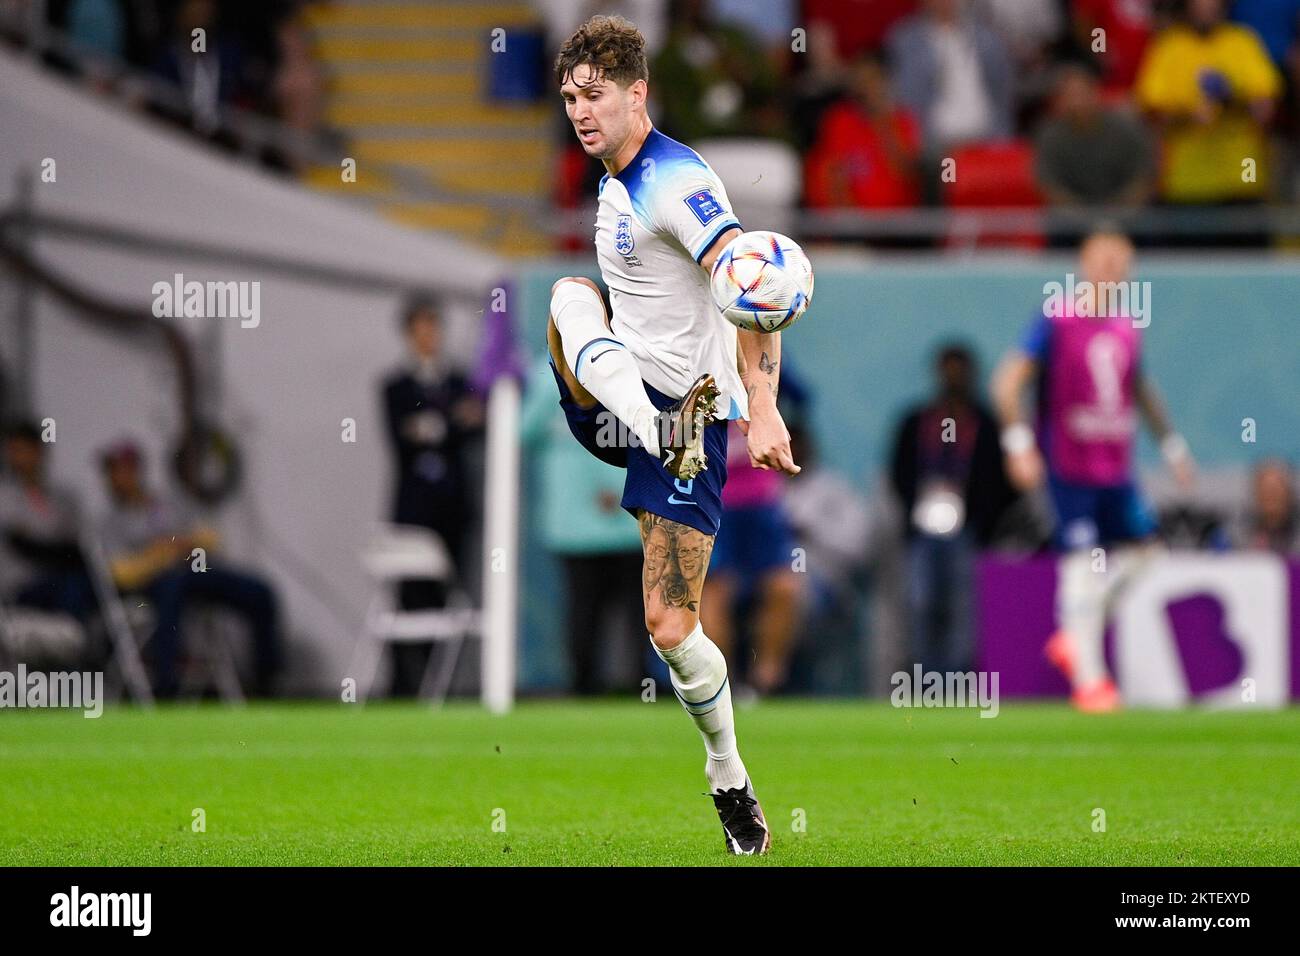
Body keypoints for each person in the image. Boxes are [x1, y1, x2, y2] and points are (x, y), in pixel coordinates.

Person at [547, 15, 800, 854]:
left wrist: (761, 408)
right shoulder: (615, 179)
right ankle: (653, 428)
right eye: (570, 98)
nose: (581, 112)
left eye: (595, 96)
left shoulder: (675, 183)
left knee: (669, 627)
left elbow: (751, 291)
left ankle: (727, 771)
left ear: (637, 92)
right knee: (565, 297)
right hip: (637, 412)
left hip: (693, 413)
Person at [992, 229, 1195, 712]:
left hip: (1115, 466)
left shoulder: (1127, 326)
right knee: (1081, 564)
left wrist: (1171, 446)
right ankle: (1091, 680)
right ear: (1084, 263)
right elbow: (1007, 382)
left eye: (1120, 262)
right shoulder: (1056, 319)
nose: (1111, 270)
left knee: (1148, 552)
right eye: (1102, 260)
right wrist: (1019, 444)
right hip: (1068, 463)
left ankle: (1074, 637)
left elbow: (1140, 390)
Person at [97, 439, 281, 698]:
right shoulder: (111, 522)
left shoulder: (167, 504)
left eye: (127, 469)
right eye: (114, 471)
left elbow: (210, 538)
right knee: (172, 588)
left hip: (194, 572)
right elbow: (121, 573)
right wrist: (161, 555)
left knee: (259, 591)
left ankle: (267, 683)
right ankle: (166, 685)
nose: (121, 477)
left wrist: (179, 545)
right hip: (150, 588)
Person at [520, 355, 645, 695]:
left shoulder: (629, 371)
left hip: (628, 524)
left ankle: (643, 686)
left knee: (640, 613)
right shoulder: (547, 379)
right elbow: (521, 430)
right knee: (584, 611)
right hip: (576, 528)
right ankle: (584, 687)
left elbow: (646, 436)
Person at [890, 344, 1019, 673]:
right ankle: (923, 677)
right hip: (921, 529)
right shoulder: (916, 422)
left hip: (968, 530)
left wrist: (981, 519)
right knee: (920, 603)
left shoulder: (985, 425)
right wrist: (915, 505)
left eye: (959, 370)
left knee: (964, 607)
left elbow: (1000, 481)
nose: (953, 378)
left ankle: (958, 679)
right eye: (947, 370)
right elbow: (899, 472)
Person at [381, 297, 484, 695]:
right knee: (409, 596)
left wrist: (433, 428)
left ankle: (440, 686)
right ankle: (404, 686)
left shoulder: (459, 381)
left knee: (449, 596)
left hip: (453, 509)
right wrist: (449, 423)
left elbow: (474, 424)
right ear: (409, 335)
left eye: (433, 328)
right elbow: (401, 439)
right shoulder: (395, 386)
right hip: (412, 511)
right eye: (420, 329)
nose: (428, 337)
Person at [1135, 0, 1281, 209]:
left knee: (1248, 236)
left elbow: (1265, 109)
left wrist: (1229, 100)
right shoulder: (1169, 45)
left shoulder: (1242, 41)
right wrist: (1188, 115)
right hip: (1185, 182)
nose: (1206, 9)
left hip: (1242, 177)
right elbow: (1151, 112)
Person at [0, 423, 93, 623]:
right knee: (73, 585)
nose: (15, 457)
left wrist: (59, 549)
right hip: (21, 588)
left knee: (90, 583)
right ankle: (72, 646)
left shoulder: (61, 496)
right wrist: (59, 549)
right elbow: (24, 544)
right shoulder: (5, 495)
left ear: (38, 451)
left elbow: (77, 542)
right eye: (12, 451)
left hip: (59, 580)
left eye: (21, 450)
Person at [1034, 63, 1156, 207]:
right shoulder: (1050, 136)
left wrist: (1119, 212)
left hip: (1126, 217)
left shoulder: (1126, 130)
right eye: (1069, 95)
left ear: (1095, 93)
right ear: (1058, 101)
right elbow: (1048, 184)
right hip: (1069, 220)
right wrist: (1081, 216)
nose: (1076, 103)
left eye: (1081, 94)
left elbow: (1145, 173)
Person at [1232, 459, 1300, 553]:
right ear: (1255, 493)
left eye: (1275, 490)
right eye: (1265, 491)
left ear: (1289, 492)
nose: (1270, 496)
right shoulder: (1239, 536)